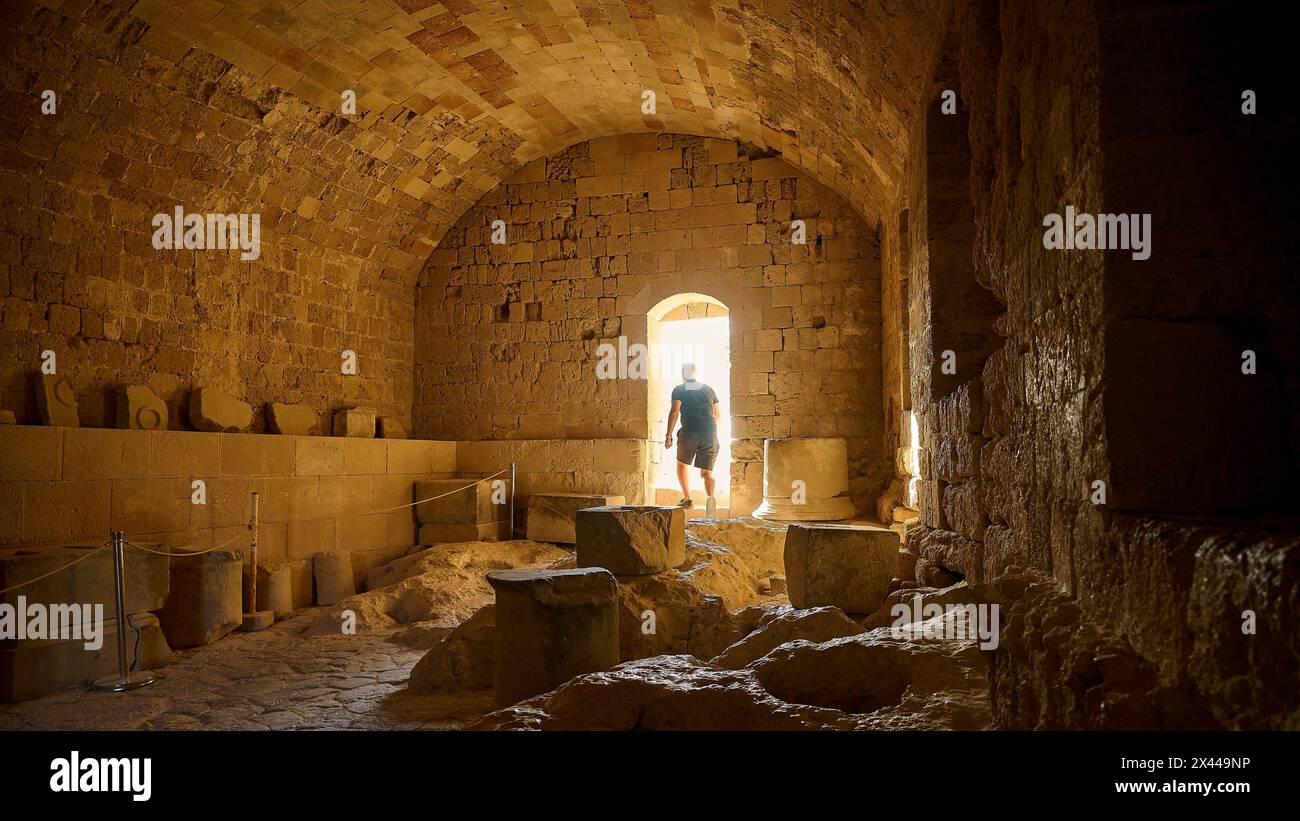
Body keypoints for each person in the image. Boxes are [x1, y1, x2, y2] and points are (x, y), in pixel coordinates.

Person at [664, 362, 720, 515]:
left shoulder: (679, 389)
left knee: (682, 464)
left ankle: (688, 499)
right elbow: (717, 414)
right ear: (696, 373)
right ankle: (710, 498)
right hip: (709, 432)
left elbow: (674, 411)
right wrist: (712, 433)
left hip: (689, 431)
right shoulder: (709, 389)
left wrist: (668, 435)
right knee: (707, 473)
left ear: (683, 374)